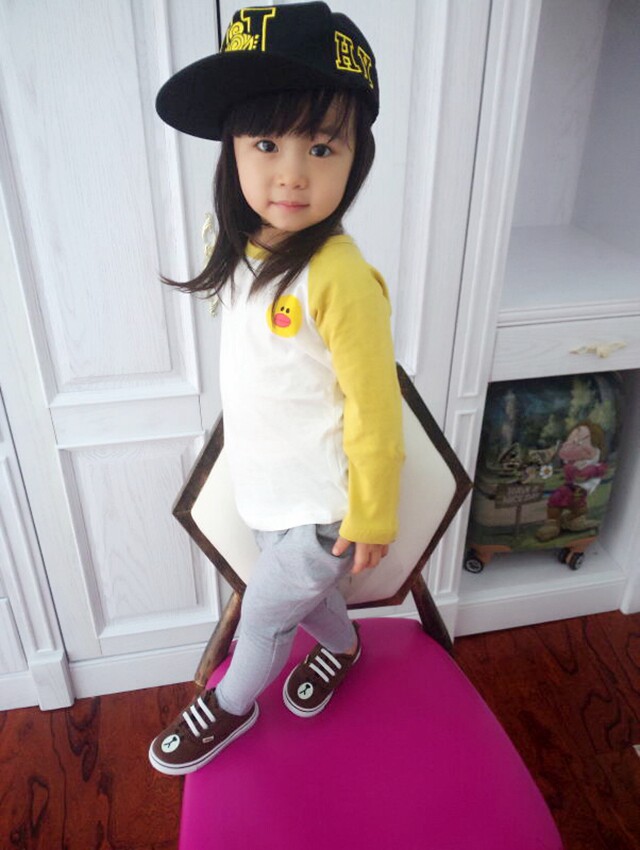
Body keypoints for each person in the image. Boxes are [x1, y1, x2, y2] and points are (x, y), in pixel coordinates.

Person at [149, 1, 404, 776]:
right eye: (266, 143)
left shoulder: (339, 278)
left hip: (325, 511)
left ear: (354, 158)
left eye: (321, 147)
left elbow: (376, 405)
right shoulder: (235, 246)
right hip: (267, 492)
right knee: (313, 604)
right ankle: (345, 647)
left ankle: (229, 706)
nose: (292, 173)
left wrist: (373, 512)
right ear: (232, 147)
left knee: (263, 618)